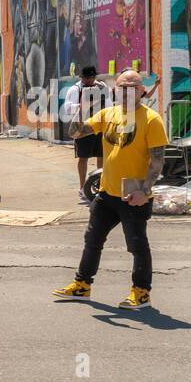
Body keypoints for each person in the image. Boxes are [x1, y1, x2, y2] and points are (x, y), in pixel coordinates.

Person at [52, 69, 168, 309]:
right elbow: (75, 132)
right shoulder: (108, 114)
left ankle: (141, 292)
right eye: (121, 87)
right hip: (106, 191)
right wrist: (83, 107)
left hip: (132, 191)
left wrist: (144, 190)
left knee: (137, 245)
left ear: (141, 91)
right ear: (115, 90)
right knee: (92, 240)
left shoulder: (151, 119)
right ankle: (82, 285)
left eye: (132, 87)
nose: (126, 92)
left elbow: (157, 160)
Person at [61, 65, 110, 203]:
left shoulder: (102, 88)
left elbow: (109, 104)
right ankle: (82, 187)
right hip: (82, 127)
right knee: (83, 157)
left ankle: (100, 184)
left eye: (92, 78)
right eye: (87, 78)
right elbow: (67, 108)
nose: (89, 80)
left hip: (99, 126)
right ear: (82, 78)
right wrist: (83, 106)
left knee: (101, 156)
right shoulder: (75, 89)